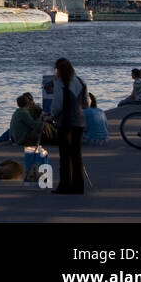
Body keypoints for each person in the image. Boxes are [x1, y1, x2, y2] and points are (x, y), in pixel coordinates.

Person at [49, 57, 87, 194]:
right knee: (77, 155)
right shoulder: (81, 81)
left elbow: (57, 105)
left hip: (65, 123)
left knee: (65, 156)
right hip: (80, 122)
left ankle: (65, 185)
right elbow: (85, 104)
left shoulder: (60, 83)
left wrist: (51, 115)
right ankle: (79, 185)